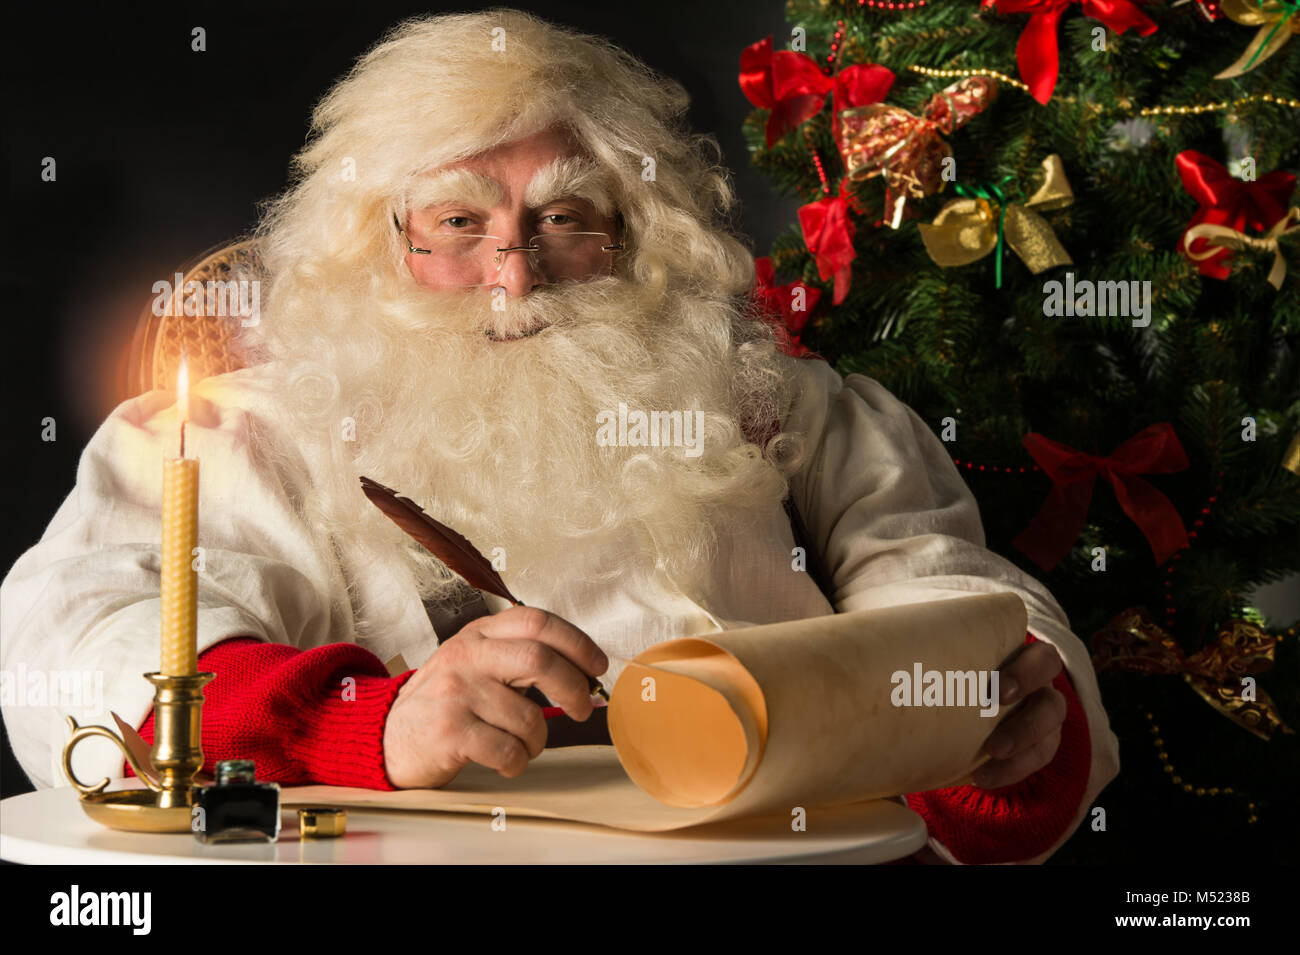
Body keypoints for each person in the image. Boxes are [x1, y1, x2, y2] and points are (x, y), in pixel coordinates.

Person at [0, 8, 1118, 864]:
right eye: (455, 223)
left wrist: (996, 721)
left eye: (565, 219)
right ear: (369, 239)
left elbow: (958, 602)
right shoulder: (236, 436)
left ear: (641, 234)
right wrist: (366, 723)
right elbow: (74, 641)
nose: (511, 273)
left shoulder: (791, 408)